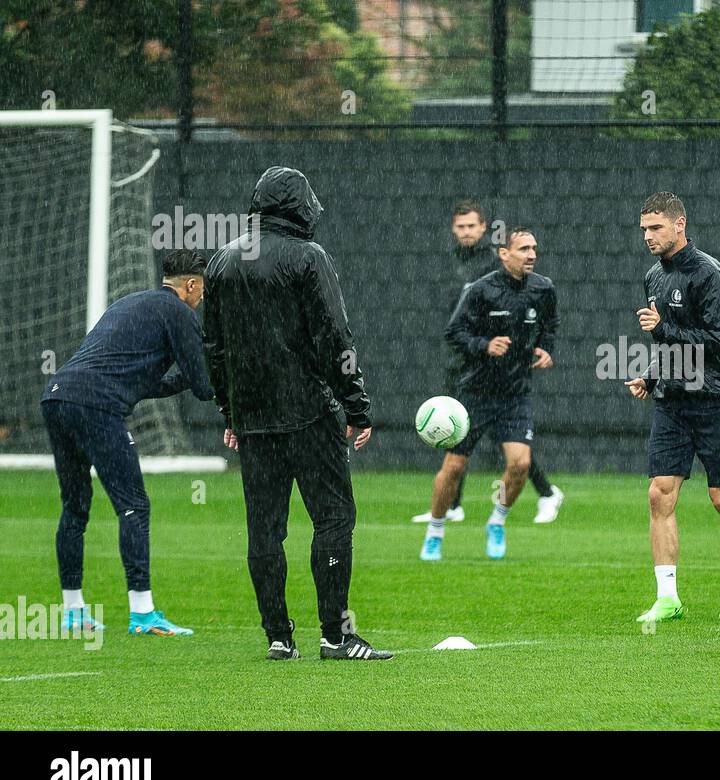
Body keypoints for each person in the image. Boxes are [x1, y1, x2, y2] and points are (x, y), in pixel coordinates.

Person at [205, 165, 390, 661]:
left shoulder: (221, 262)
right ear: (298, 207)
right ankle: (335, 635)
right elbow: (336, 335)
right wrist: (357, 406)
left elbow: (214, 349)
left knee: (265, 529)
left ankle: (278, 638)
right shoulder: (308, 257)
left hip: (254, 420)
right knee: (333, 518)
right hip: (309, 412)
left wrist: (230, 412)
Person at [41, 250, 214, 637]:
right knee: (134, 506)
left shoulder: (132, 302)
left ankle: (73, 611)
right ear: (190, 285)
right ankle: (142, 613)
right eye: (202, 289)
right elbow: (203, 387)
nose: (202, 298)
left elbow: (145, 383)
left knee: (75, 506)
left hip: (56, 395)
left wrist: (186, 376)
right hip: (94, 404)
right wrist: (223, 366)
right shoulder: (179, 313)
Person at [624, 192, 720, 622]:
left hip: (715, 398)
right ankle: (668, 598)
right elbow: (669, 345)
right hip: (672, 400)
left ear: (679, 224)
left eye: (656, 227)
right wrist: (650, 375)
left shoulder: (708, 273)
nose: (648, 236)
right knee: (658, 494)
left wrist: (664, 328)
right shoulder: (653, 277)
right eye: (644, 228)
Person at [413, 199, 564, 525]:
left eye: (533, 248)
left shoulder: (532, 283)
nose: (531, 255)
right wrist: (483, 345)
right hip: (472, 374)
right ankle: (446, 514)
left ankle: (525, 504)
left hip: (512, 384)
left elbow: (549, 324)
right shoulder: (463, 271)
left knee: (518, 459)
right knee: (456, 460)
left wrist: (545, 347)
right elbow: (454, 329)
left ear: (484, 230)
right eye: (461, 226)